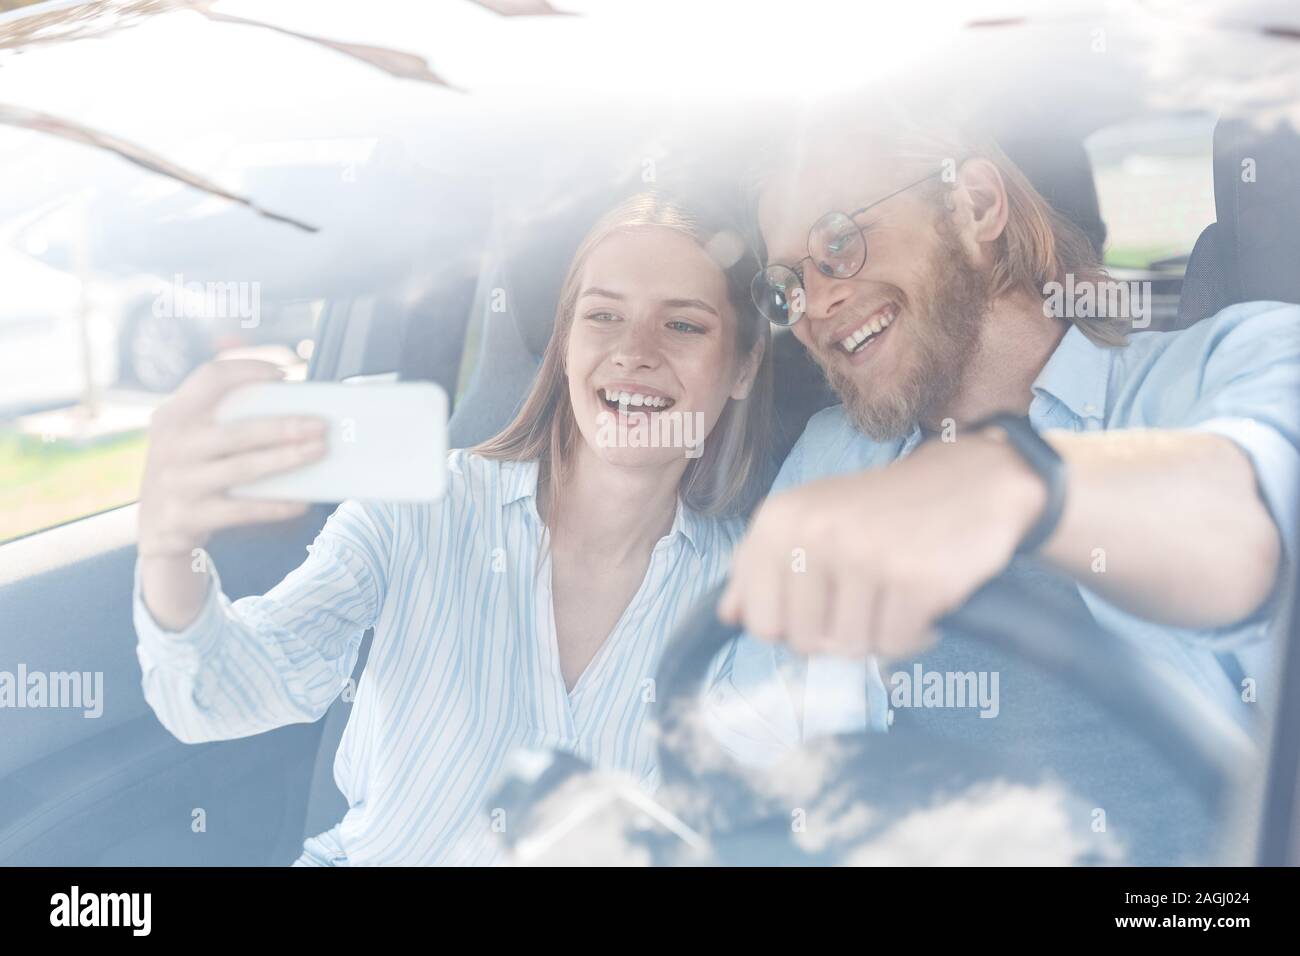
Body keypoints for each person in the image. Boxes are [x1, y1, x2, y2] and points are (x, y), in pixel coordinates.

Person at [715, 89, 1299, 862]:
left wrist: (1013, 480)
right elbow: (746, 752)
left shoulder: (1231, 364)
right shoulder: (830, 458)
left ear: (977, 205)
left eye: (840, 242)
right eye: (787, 283)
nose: (817, 304)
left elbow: (1258, 512)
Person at [132, 191, 772, 865]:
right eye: (603, 315)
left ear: (743, 367)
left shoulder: (747, 597)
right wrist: (169, 552)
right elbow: (215, 694)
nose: (632, 352)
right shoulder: (421, 507)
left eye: (684, 326)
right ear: (564, 345)